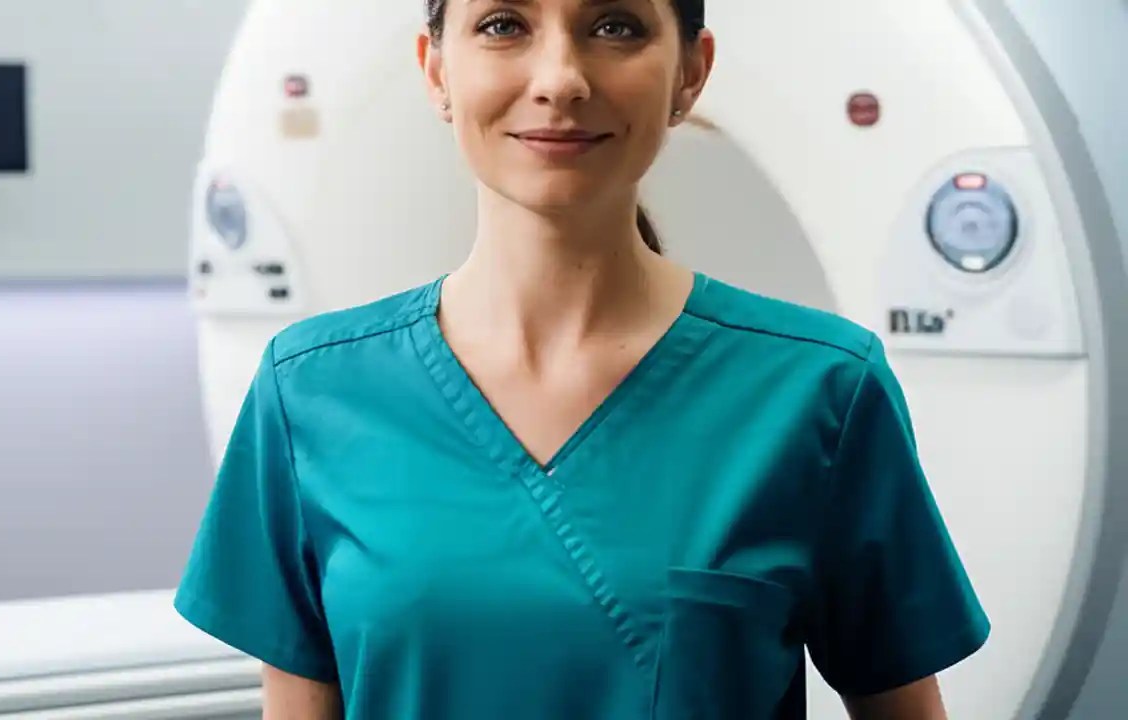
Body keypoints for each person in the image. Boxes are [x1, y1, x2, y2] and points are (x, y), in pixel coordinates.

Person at [172, 0, 991, 717]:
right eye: (502, 25)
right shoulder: (309, 391)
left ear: (690, 73)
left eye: (615, 26)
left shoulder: (821, 392)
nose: (560, 78)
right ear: (435, 70)